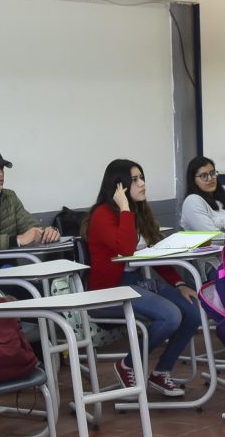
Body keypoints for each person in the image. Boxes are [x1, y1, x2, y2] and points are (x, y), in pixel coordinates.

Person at [85, 160, 199, 398]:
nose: (142, 184)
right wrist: (125, 208)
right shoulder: (102, 214)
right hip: (108, 291)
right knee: (170, 316)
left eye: (142, 177)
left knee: (192, 312)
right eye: (135, 179)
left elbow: (156, 251)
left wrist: (179, 283)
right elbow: (125, 249)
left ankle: (161, 372)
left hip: (135, 284)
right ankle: (127, 364)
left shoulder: (140, 211)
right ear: (119, 186)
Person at [178, 156, 225, 234]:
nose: (210, 178)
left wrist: (224, 232)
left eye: (212, 173)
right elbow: (213, 237)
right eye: (203, 176)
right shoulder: (192, 201)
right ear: (193, 180)